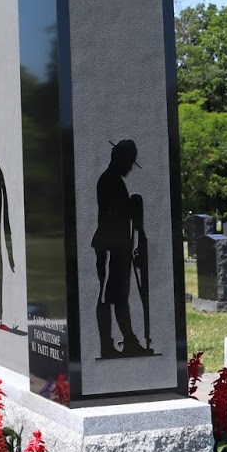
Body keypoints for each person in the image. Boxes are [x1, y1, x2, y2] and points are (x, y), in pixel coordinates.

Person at [91, 139, 150, 358]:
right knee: (107, 296)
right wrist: (132, 206)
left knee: (120, 296)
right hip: (109, 245)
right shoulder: (109, 180)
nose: (130, 167)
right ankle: (107, 344)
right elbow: (113, 213)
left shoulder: (114, 180)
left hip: (119, 245)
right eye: (129, 162)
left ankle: (129, 341)